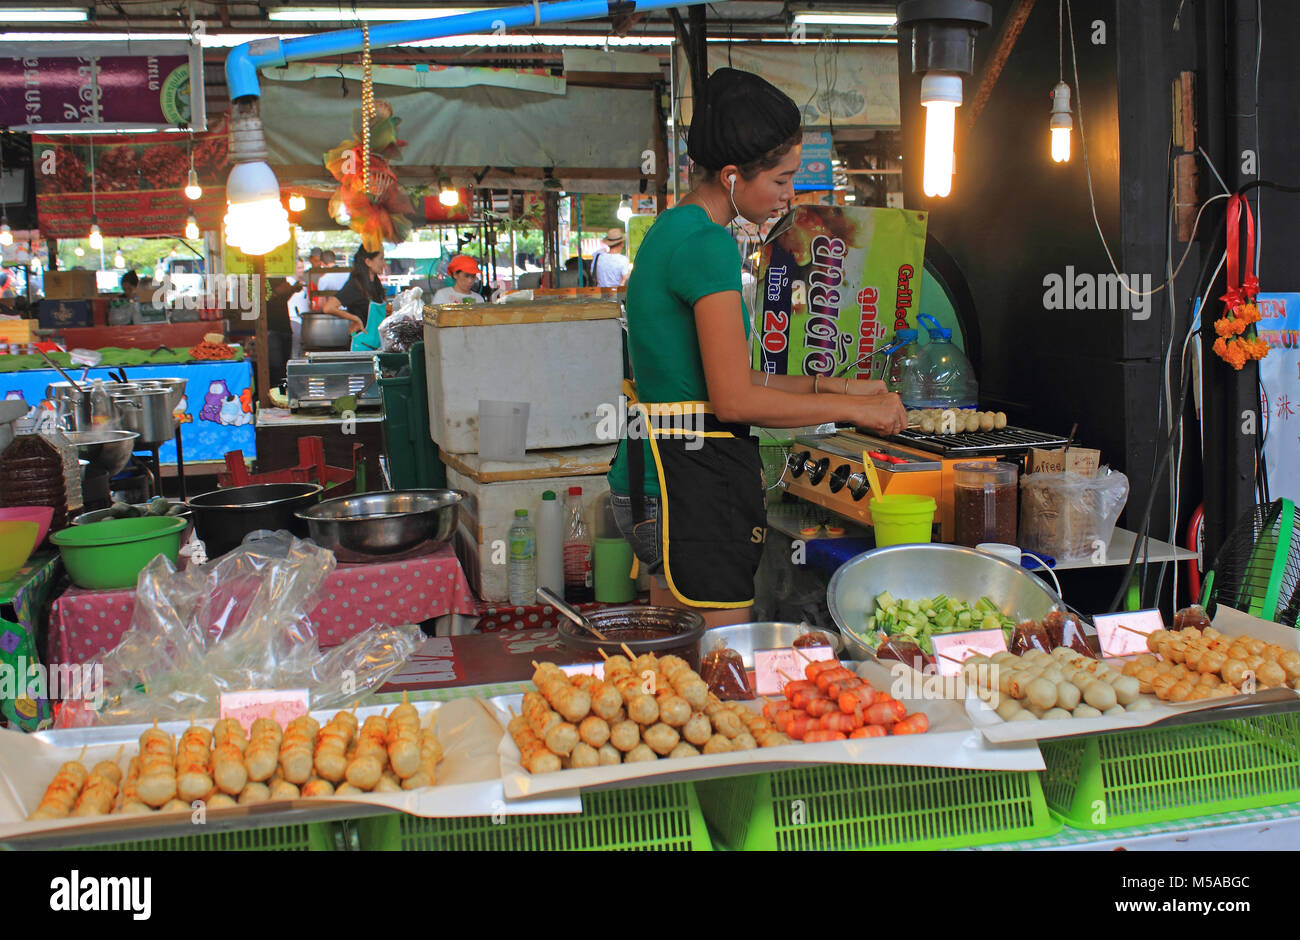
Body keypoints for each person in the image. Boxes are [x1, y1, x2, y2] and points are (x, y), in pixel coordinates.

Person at [607, 67, 907, 628]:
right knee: (723, 678)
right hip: (688, 488)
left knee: (679, 667)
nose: (788, 195)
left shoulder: (672, 231)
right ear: (730, 177)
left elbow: (730, 377)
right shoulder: (707, 247)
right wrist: (854, 410)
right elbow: (736, 401)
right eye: (780, 180)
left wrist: (834, 385)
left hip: (656, 480)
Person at [321, 245, 386, 333]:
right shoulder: (356, 285)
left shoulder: (375, 283)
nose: (384, 263)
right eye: (381, 259)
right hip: (362, 343)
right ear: (368, 262)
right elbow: (328, 307)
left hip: (376, 342)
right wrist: (354, 318)